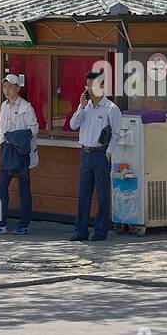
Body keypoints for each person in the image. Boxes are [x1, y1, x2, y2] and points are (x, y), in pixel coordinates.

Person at [68, 68, 121, 242]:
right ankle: (80, 230)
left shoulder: (111, 108)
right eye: (88, 86)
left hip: (101, 154)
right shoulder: (85, 106)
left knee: (102, 194)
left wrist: (108, 153)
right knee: (83, 193)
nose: (90, 90)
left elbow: (116, 134)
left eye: (94, 86)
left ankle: (100, 231)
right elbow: (73, 125)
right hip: (85, 153)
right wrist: (81, 107)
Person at [0, 73, 39, 235]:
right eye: (4, 87)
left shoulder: (26, 107)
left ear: (18, 89)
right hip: (6, 150)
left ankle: (24, 224)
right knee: (1, 188)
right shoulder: (3, 106)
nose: (6, 90)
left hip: (21, 152)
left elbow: (34, 129)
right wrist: (3, 142)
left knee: (23, 189)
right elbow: (2, 127)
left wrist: (16, 137)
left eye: (10, 87)